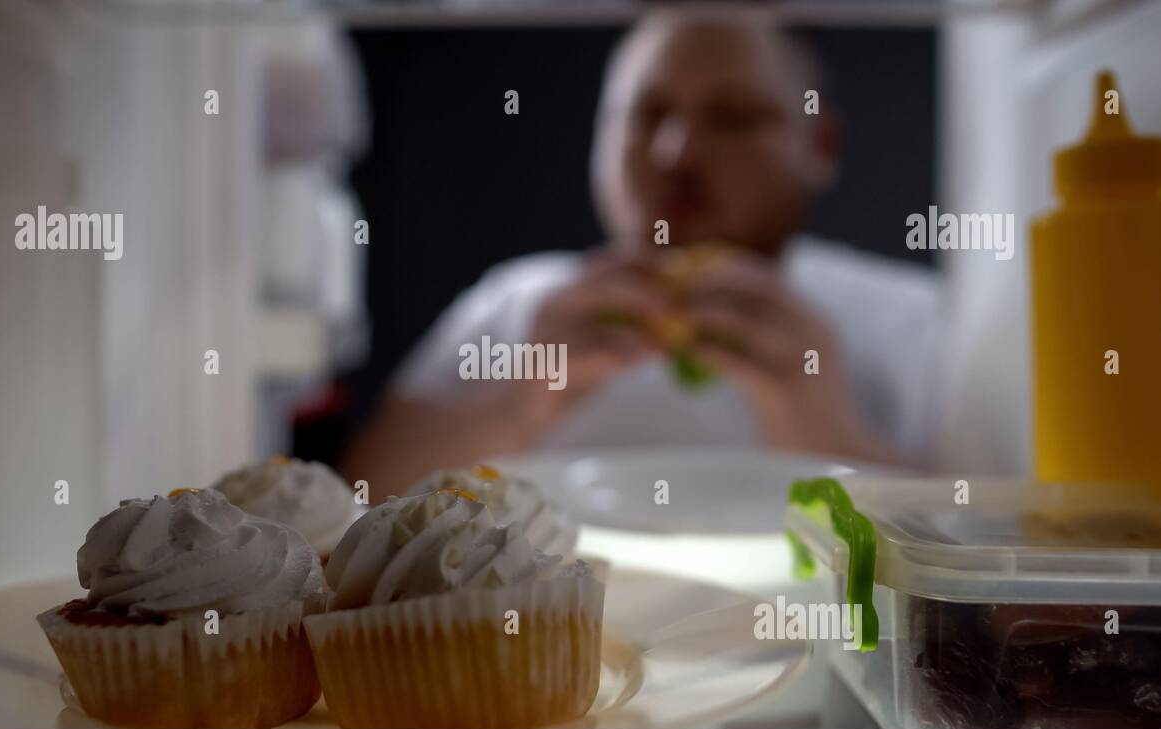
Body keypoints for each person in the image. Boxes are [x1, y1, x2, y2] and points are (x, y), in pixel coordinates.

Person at [342, 15, 944, 498]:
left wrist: (822, 425)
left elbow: (981, 568)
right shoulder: (515, 302)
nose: (675, 150)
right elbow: (352, 502)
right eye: (646, 114)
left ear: (819, 144)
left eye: (733, 117)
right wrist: (521, 403)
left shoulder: (913, 321)